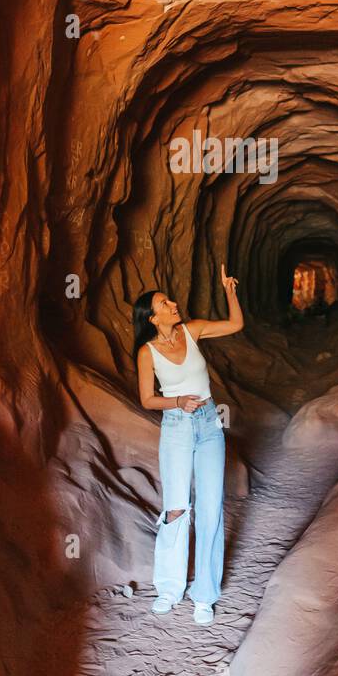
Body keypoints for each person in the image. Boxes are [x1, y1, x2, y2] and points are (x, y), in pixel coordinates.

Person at [133, 264, 243, 626]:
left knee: (210, 508)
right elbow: (148, 399)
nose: (173, 304)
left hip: (210, 423)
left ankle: (204, 596)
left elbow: (235, 325)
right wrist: (177, 402)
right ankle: (168, 589)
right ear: (152, 317)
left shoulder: (192, 331)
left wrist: (229, 290)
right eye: (165, 303)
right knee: (177, 508)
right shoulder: (147, 352)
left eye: (170, 300)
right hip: (177, 427)